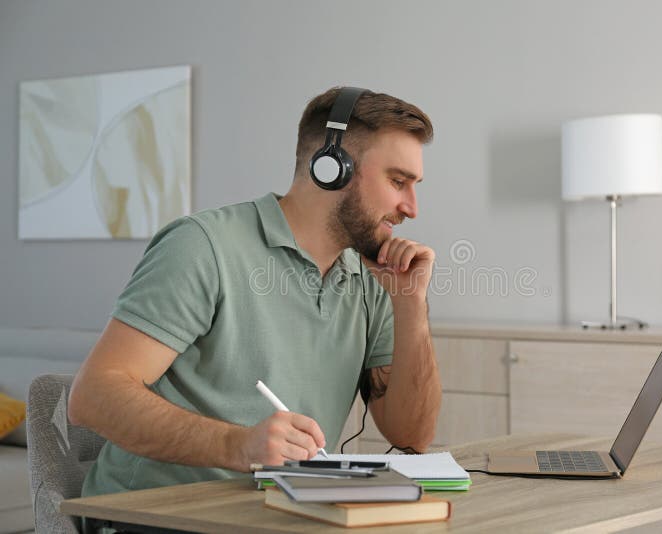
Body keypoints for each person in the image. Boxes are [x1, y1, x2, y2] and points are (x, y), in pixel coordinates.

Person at [69, 86, 442, 496]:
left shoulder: (372, 280)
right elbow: (93, 395)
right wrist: (238, 445)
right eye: (398, 181)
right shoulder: (203, 246)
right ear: (332, 168)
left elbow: (412, 436)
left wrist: (411, 306)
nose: (412, 207)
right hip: (158, 516)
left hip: (285, 513)